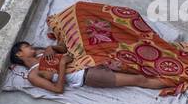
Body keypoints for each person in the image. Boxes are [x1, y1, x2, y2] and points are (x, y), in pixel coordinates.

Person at [9, 40, 171, 94]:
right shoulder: (33, 75)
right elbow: (58, 89)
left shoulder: (42, 54)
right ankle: (177, 81)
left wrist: (55, 48)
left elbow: (65, 49)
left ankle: (170, 70)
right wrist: (62, 65)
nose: (31, 47)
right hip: (87, 76)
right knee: (139, 79)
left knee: (135, 65)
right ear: (19, 54)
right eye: (26, 47)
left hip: (90, 61)